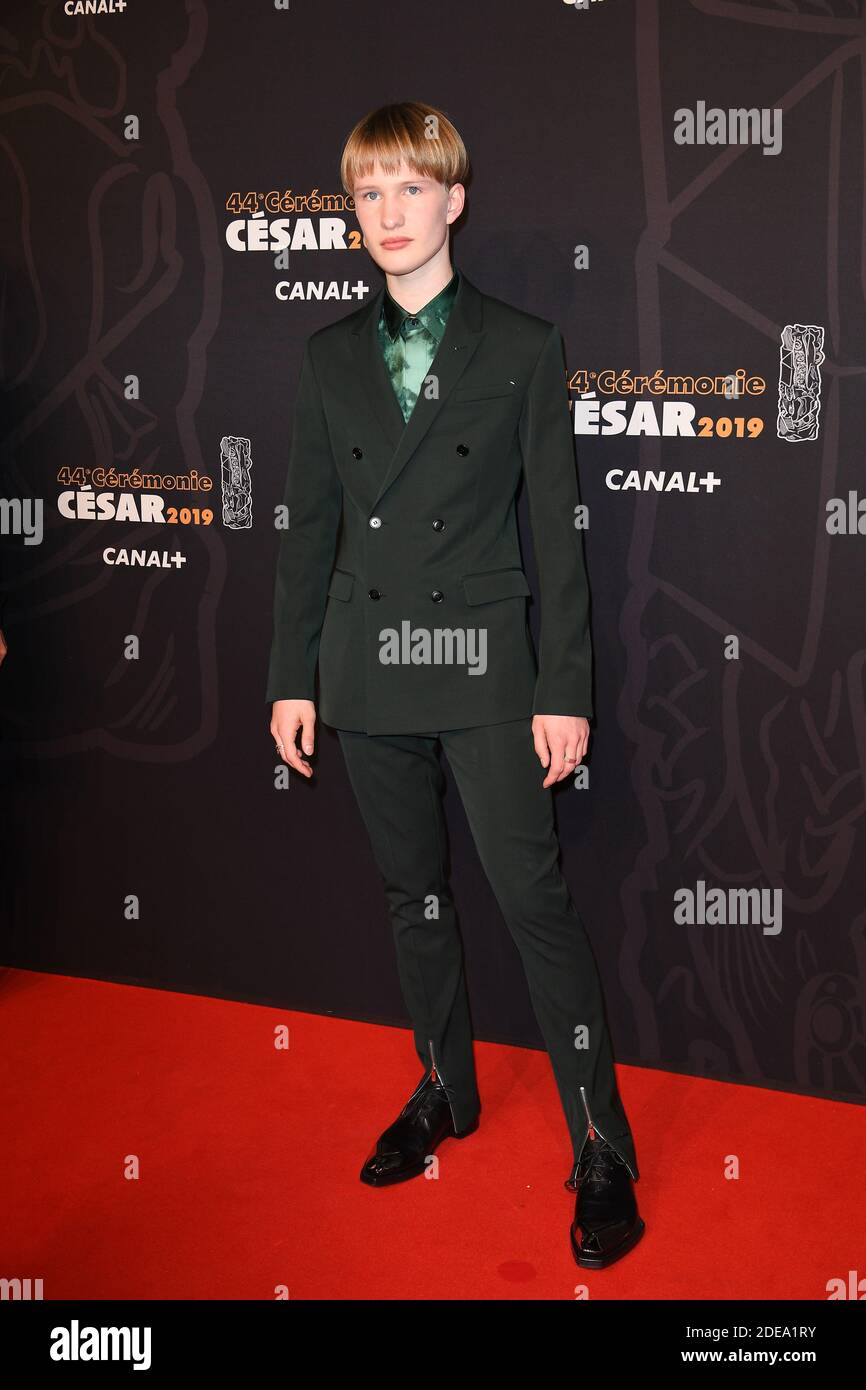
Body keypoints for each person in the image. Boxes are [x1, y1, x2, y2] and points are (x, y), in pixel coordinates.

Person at [266, 100, 644, 1269]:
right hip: (363, 667)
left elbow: (557, 534)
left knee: (534, 907)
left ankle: (601, 1144)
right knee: (411, 896)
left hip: (483, 666)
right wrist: (292, 677)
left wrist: (562, 687)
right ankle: (444, 1085)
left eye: (408, 190)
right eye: (366, 195)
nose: (387, 214)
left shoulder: (522, 347)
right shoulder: (328, 357)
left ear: (452, 200)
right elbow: (306, 531)